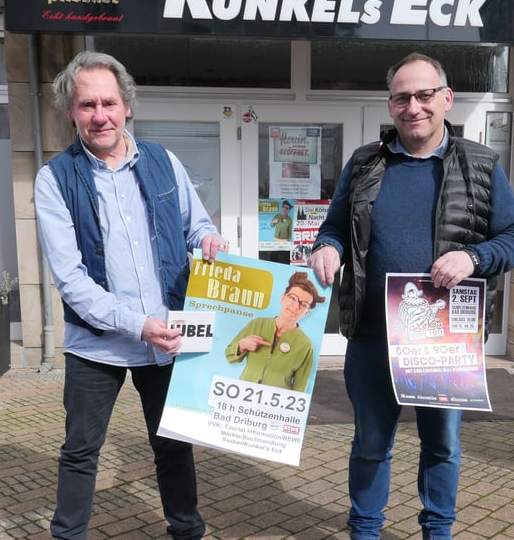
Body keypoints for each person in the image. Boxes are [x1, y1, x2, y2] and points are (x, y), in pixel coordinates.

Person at [308, 52, 514, 540]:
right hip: (370, 337)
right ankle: (365, 531)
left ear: (446, 99)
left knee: (442, 445)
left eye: (425, 95)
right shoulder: (365, 162)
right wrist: (327, 246)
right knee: (369, 444)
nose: (415, 107)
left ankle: (438, 531)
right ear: (391, 105)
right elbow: (336, 225)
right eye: (402, 97)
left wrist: (473, 258)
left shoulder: (481, 165)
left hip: (441, 339)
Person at [34, 50, 228, 540]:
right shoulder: (54, 178)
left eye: (108, 103)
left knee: (173, 445)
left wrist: (208, 240)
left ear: (126, 106)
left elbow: (196, 225)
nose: (100, 115)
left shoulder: (165, 161)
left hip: (169, 336)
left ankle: (187, 531)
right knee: (80, 450)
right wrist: (136, 324)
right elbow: (71, 279)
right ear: (71, 112)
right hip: (97, 343)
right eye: (86, 105)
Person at [225, 271, 324, 392]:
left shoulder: (305, 345)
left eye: (303, 305)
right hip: (243, 397)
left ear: (307, 312)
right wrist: (242, 344)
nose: (295, 306)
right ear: (283, 297)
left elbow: (300, 387)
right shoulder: (257, 324)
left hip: (275, 405)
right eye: (293, 298)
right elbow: (229, 356)